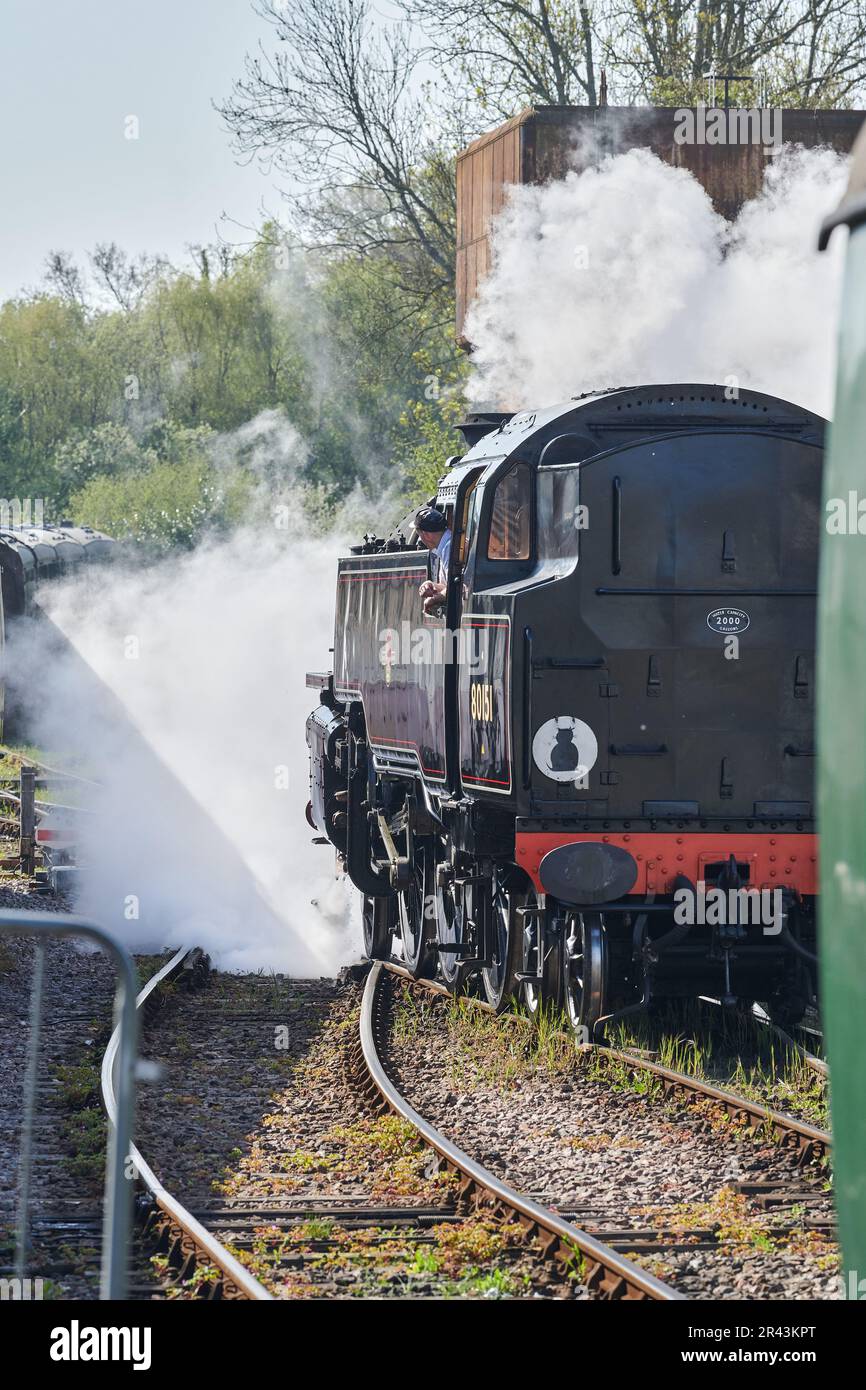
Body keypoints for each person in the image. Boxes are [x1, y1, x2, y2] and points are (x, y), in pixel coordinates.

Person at [414, 506, 451, 613]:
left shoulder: (449, 547)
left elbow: (457, 588)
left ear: (426, 535)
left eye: (419, 535)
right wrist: (433, 586)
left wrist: (434, 599)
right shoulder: (445, 546)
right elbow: (447, 587)